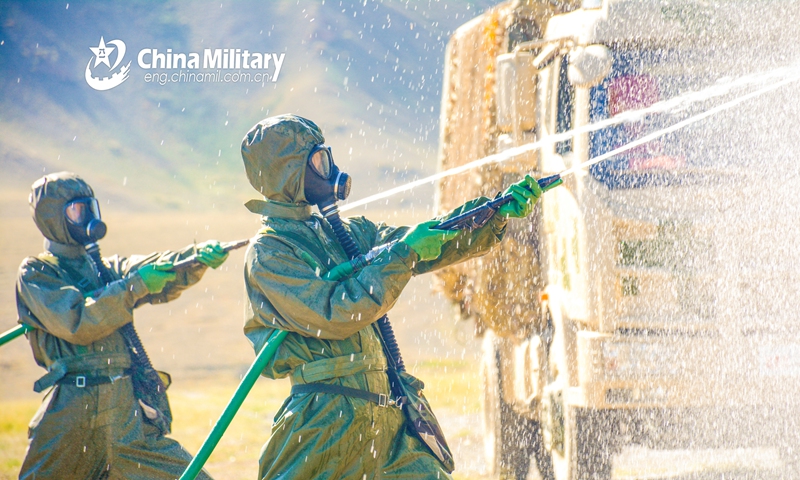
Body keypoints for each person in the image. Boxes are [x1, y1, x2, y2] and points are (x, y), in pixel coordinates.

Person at [240, 114, 542, 479]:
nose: (330, 168)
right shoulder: (270, 253)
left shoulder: (347, 232)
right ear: (287, 173)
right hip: (323, 423)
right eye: (318, 160)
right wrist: (404, 255)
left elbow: (427, 241)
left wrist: (493, 213)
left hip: (387, 412)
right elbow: (336, 313)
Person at [16, 171, 228, 480]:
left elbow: (151, 269)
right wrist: (132, 288)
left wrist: (195, 258)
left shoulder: (105, 268)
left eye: (90, 208)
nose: (87, 217)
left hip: (124, 413)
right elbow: (77, 322)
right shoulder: (37, 273)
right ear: (53, 218)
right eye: (77, 210)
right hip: (73, 412)